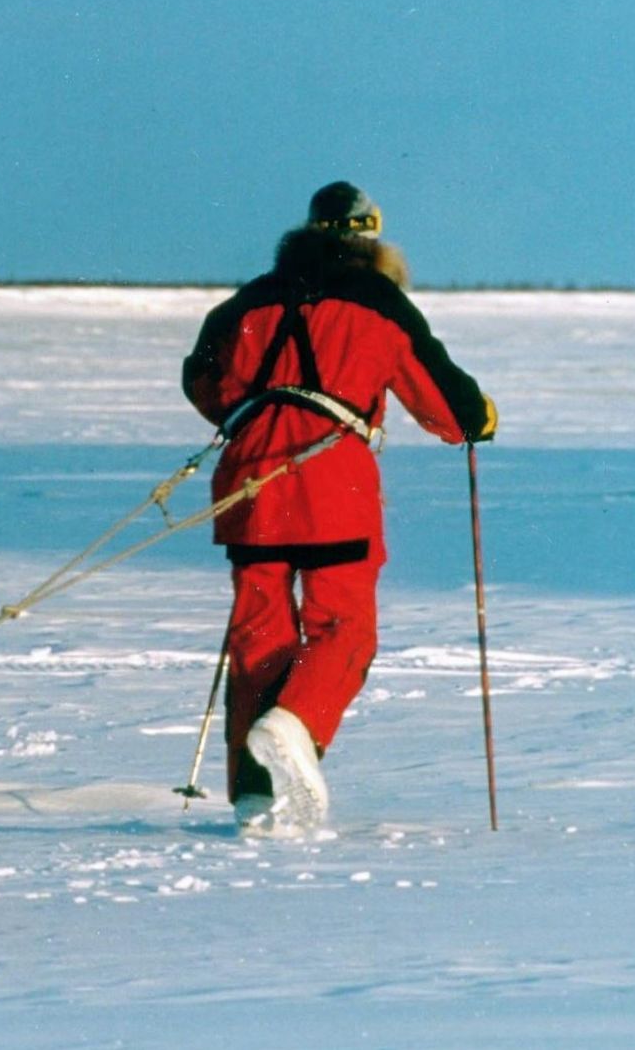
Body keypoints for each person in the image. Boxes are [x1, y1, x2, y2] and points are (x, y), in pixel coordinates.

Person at [182, 181, 495, 833]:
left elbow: (201, 379)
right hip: (334, 486)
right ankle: (294, 726)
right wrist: (478, 417)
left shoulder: (248, 301)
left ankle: (252, 794)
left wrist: (256, 415)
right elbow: (446, 405)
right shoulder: (379, 303)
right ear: (370, 239)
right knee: (342, 630)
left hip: (250, 481)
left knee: (258, 635)